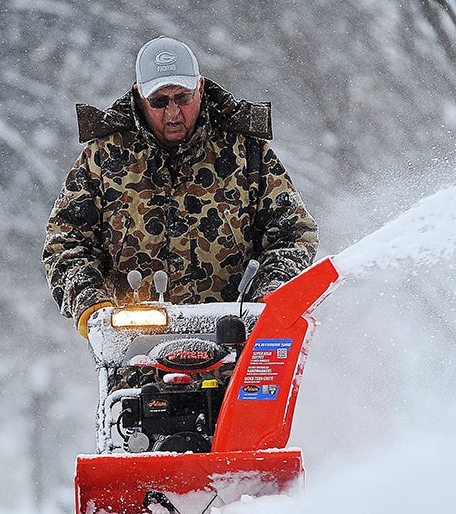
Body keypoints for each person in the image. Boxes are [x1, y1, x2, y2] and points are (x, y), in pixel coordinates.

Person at [43, 36, 319, 341]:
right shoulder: (103, 158)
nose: (173, 113)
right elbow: (65, 241)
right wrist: (92, 306)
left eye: (183, 98)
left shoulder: (247, 152)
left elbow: (294, 232)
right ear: (139, 96)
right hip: (137, 350)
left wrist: (270, 294)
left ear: (200, 88)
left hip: (238, 342)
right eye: (160, 101)